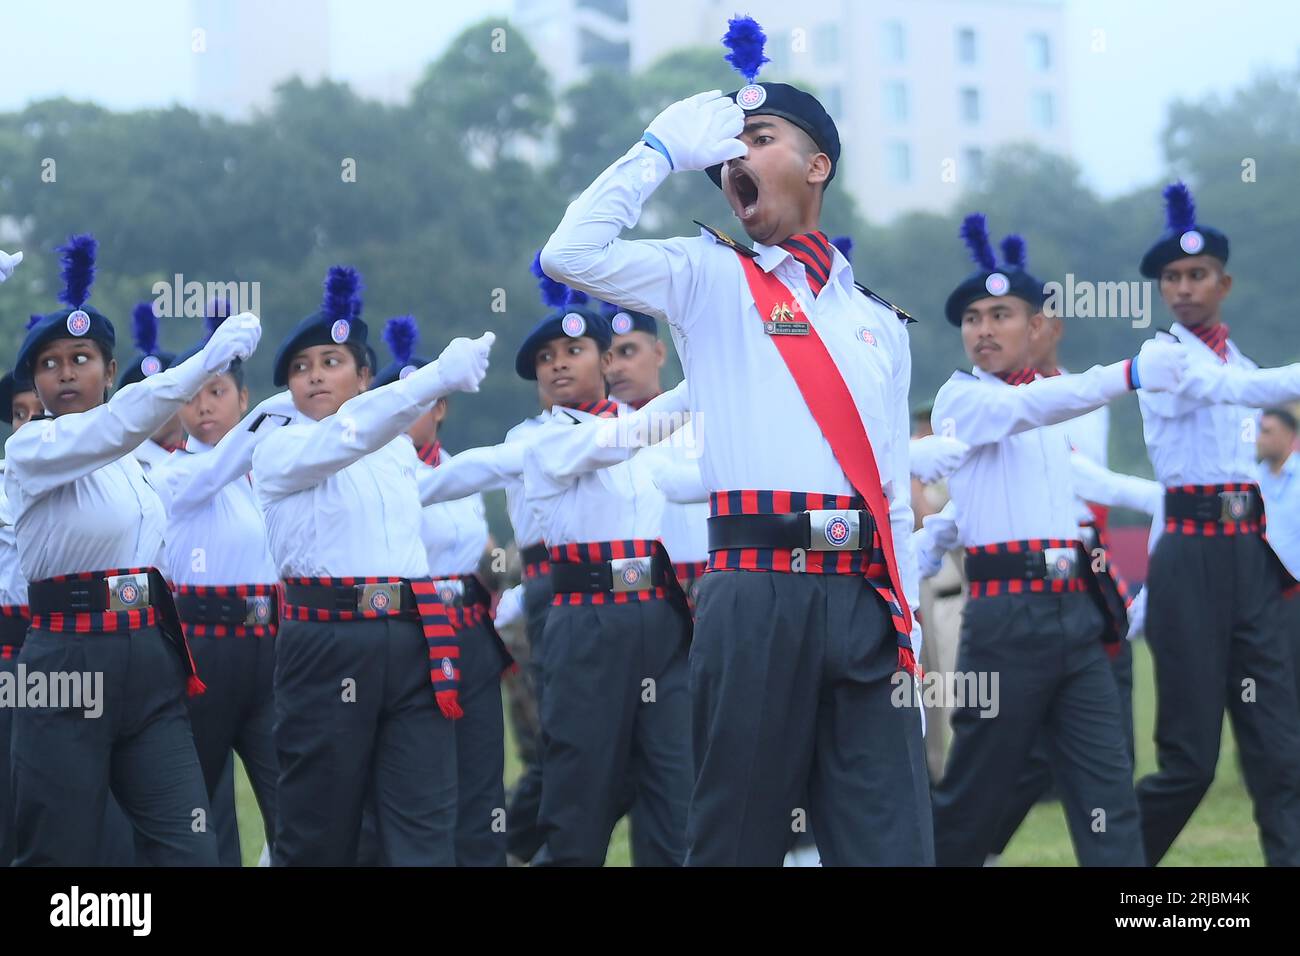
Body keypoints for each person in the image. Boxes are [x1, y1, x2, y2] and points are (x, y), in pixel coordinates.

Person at [541, 15, 932, 865]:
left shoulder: (879, 323)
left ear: (818, 165)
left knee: (893, 839)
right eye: (724, 149)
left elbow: (893, 487)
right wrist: (656, 151)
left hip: (864, 594)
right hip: (754, 591)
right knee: (737, 837)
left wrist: (908, 621)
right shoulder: (707, 277)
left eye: (758, 137)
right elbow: (570, 252)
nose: (733, 160)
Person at [927, 215, 1183, 866]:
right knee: (973, 800)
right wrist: (1128, 371)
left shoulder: (1046, 404)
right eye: (973, 318)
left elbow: (1035, 475)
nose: (984, 330)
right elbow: (1031, 410)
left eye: (1001, 315)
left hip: (1076, 610)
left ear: (1034, 327)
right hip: (1005, 620)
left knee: (1106, 792)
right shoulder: (964, 400)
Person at [6, 233, 260, 865]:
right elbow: (120, 423)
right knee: (59, 851)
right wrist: (204, 362)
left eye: (82, 358)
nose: (66, 373)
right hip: (69, 658)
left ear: (110, 370)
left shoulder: (140, 468)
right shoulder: (35, 449)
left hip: (149, 658)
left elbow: (127, 435)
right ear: (35, 383)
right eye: (50, 364)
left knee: (188, 846)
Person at [251, 265, 493, 865]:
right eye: (300, 369)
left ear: (364, 376)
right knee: (318, 830)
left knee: (423, 825)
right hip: (328, 643)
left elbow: (457, 475)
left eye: (330, 362)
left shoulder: (395, 446)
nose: (313, 377)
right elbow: (346, 438)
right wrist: (434, 376)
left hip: (413, 636)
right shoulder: (281, 446)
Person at [1133, 182, 1300, 865]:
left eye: (1197, 275)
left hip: (1246, 557)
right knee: (1190, 762)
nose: (1183, 288)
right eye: (1171, 277)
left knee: (1280, 748)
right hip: (1191, 561)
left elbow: (1250, 403)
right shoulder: (1164, 358)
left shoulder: (1246, 363)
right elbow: (1237, 394)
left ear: (1223, 283)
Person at [150, 311, 294, 866]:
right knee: (199, 815)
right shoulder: (175, 474)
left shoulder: (269, 475)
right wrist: (284, 407)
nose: (204, 406)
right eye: (192, 395)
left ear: (242, 395)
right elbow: (221, 467)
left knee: (295, 802)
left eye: (217, 391)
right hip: (201, 653)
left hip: (270, 651)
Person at [371, 314, 512, 867]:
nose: (410, 414)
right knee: (420, 783)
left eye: (423, 401)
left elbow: (486, 550)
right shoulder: (374, 476)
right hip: (412, 631)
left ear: (442, 407)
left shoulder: (462, 471)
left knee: (480, 778)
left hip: (470, 629)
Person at [1256, 407, 1300, 702]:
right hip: (1259, 597)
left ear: (1289, 436)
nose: (1259, 438)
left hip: (1296, 594)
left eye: (1267, 432)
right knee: (1262, 683)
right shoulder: (1248, 482)